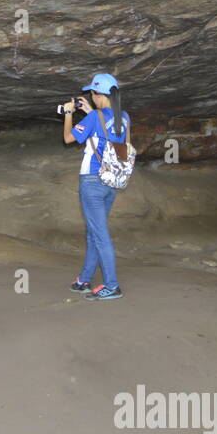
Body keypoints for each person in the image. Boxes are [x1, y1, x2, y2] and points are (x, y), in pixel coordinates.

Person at [61, 73, 130, 301]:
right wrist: (91, 112)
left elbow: (69, 138)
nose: (91, 95)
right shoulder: (125, 118)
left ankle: (112, 286)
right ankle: (84, 280)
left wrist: (69, 114)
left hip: (92, 180)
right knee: (94, 232)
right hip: (111, 182)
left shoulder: (95, 118)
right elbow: (118, 140)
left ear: (99, 95)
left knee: (99, 235)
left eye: (93, 92)